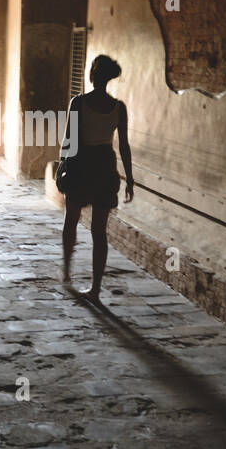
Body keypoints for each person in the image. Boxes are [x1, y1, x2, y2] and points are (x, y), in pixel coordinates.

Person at [59, 54, 133, 303]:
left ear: (92, 75)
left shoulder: (78, 103)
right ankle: (96, 288)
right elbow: (123, 146)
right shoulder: (118, 107)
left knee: (71, 220)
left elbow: (70, 139)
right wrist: (130, 178)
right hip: (105, 166)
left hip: (81, 164)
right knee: (99, 231)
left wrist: (62, 167)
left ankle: (67, 273)